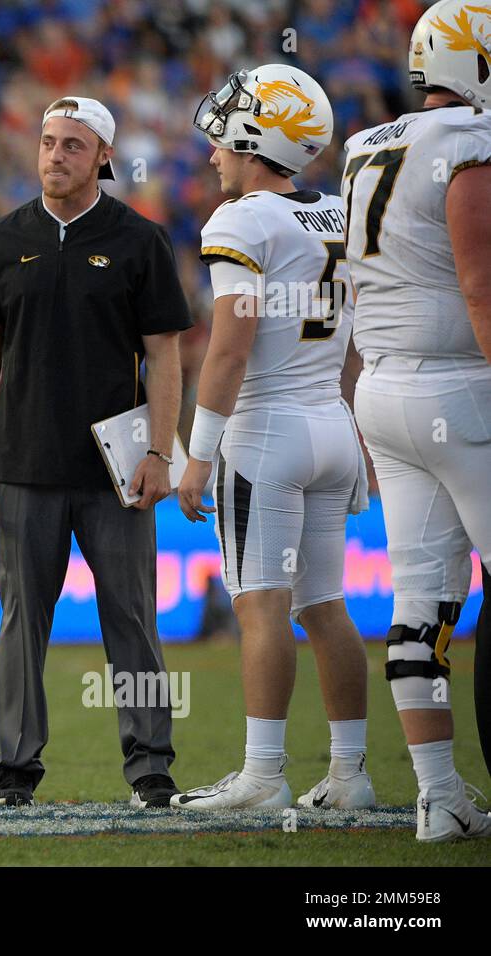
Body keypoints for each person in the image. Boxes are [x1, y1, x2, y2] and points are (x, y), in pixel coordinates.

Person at [0, 97, 191, 808]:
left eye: (73, 146)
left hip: (117, 470)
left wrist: (162, 456)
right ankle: (13, 774)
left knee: (133, 621)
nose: (55, 155)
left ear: (104, 156)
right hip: (22, 466)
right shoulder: (5, 235)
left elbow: (165, 356)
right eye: (49, 142)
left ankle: (151, 771)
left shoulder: (140, 240)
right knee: (21, 625)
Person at [173, 64, 374, 812]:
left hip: (266, 429)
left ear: (258, 141)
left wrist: (198, 453)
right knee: (326, 604)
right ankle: (351, 775)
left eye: (224, 140)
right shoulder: (337, 214)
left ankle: (263, 775)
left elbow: (229, 347)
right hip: (331, 420)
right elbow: (351, 337)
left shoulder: (241, 220)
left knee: (261, 605)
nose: (214, 154)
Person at [341, 0, 491, 842]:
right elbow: (478, 282)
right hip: (458, 388)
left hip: (384, 390)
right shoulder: (469, 144)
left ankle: (438, 797)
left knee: (422, 602)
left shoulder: (370, 144)